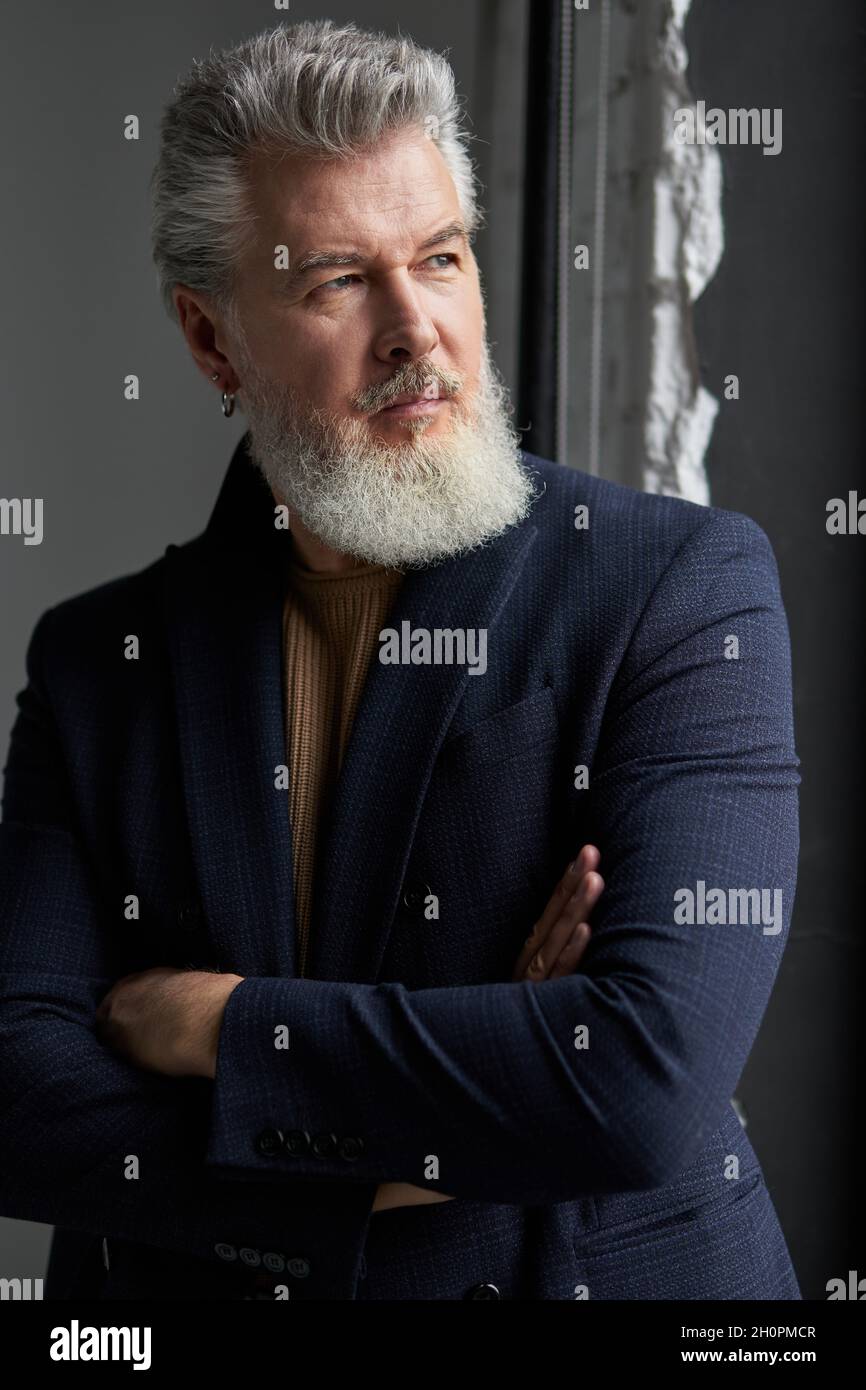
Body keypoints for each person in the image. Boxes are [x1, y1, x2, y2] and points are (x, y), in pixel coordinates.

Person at [0, 18, 801, 1301]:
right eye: (336, 280)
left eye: (439, 256)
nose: (415, 328)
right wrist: (459, 1121)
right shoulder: (102, 667)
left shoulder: (679, 587)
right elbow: (25, 1102)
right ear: (213, 342)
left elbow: (641, 1076)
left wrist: (214, 1022)